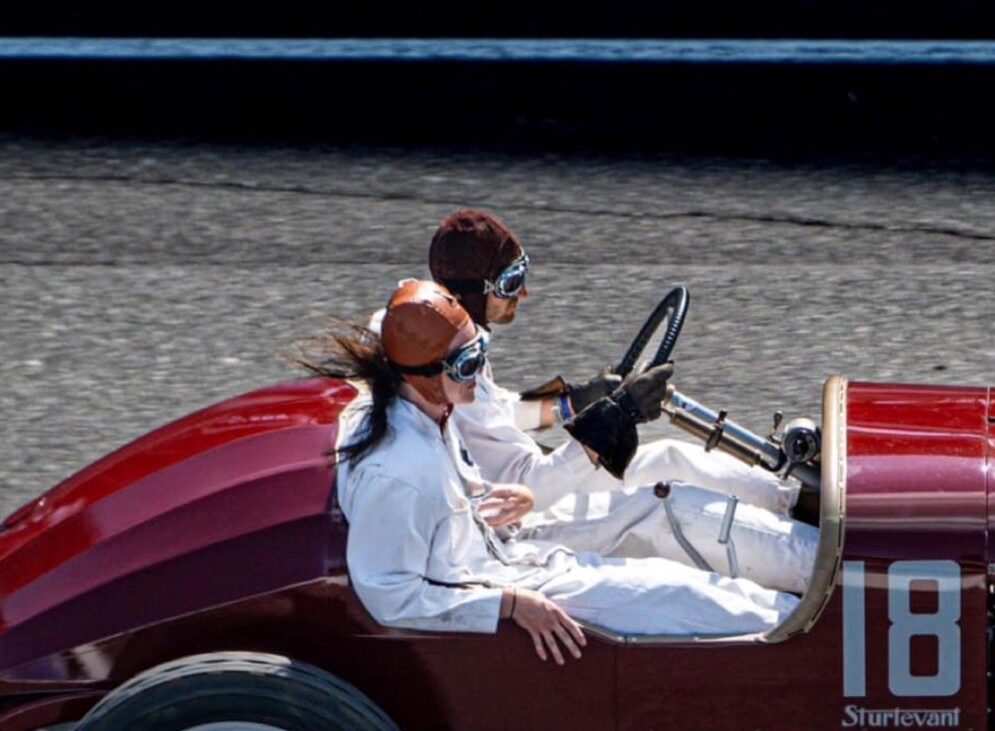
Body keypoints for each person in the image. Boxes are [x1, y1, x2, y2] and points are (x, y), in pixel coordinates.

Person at [313, 282, 794, 659]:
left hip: (512, 551)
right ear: (420, 374)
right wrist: (510, 605)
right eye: (466, 364)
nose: (477, 373)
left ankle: (815, 554)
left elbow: (468, 473)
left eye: (479, 352)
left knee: (673, 518)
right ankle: (821, 618)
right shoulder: (399, 469)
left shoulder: (429, 406)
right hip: (510, 584)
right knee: (685, 594)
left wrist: (501, 493)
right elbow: (392, 596)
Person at [417, 208, 820, 596]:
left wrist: (575, 400)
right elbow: (530, 488)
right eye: (509, 282)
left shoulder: (454, 349)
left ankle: (804, 506)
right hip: (513, 530)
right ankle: (832, 570)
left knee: (671, 455)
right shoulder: (442, 368)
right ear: (471, 294)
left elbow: (500, 412)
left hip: (528, 498)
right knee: (667, 504)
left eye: (521, 272)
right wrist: (614, 418)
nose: (524, 291)